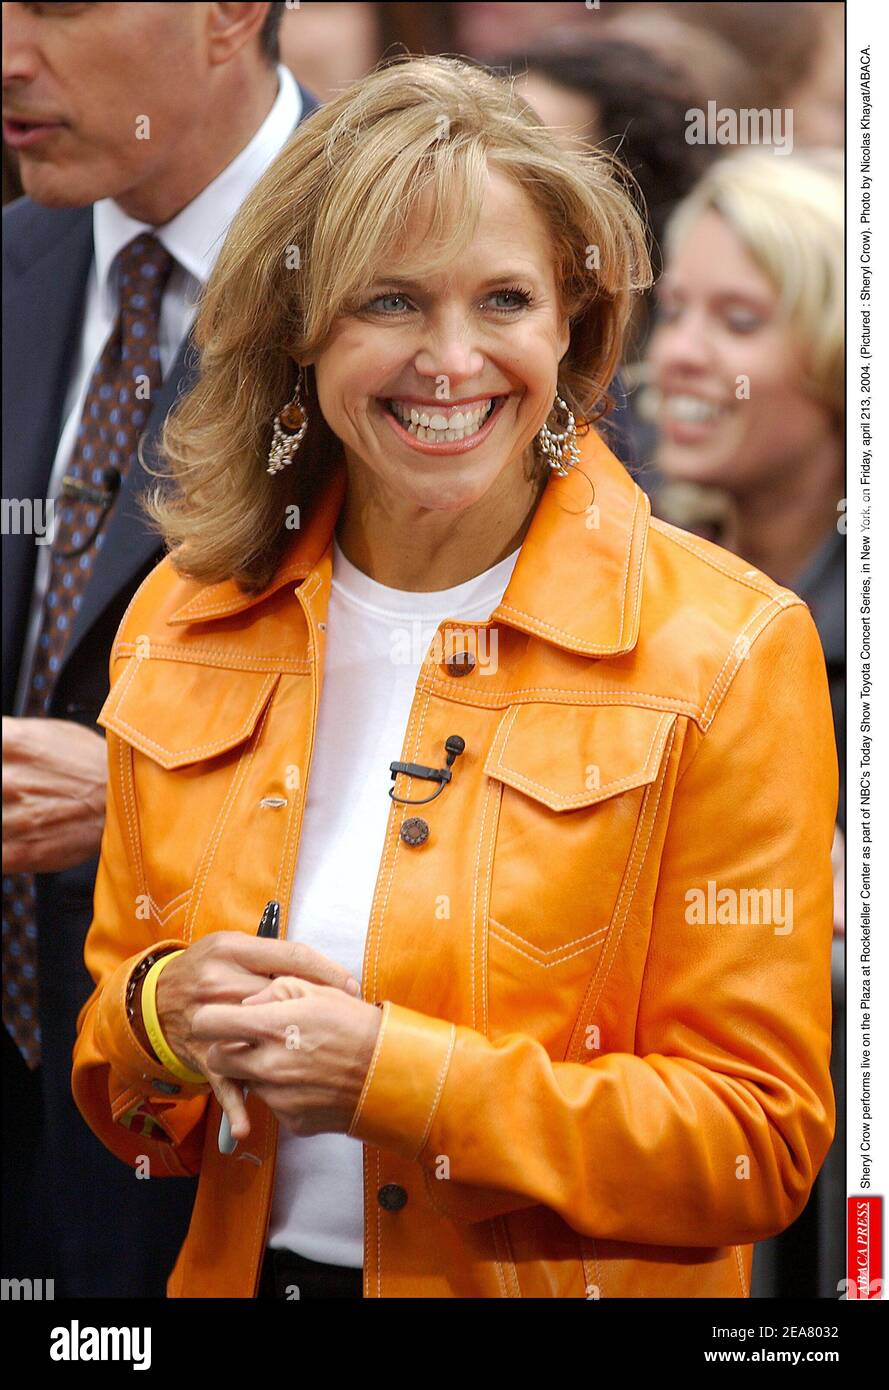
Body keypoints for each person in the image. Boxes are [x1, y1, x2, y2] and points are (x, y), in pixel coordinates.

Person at [72, 54, 837, 1300]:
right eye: (389, 302)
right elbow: (120, 1074)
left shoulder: (729, 645)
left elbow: (756, 1146)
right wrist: (161, 1013)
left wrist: (396, 1076)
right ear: (298, 326)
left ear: (570, 324)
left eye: (502, 300)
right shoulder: (183, 610)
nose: (450, 359)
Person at [2, 0, 318, 1297]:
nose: (9, 52)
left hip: (221, 1137)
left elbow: (491, 706)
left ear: (229, 12)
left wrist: (143, 793)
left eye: (59, 5)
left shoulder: (418, 295)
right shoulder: (18, 256)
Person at [644, 149, 845, 1296]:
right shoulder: (653, 600)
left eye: (737, 319)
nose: (678, 354)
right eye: (673, 311)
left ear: (833, 356)